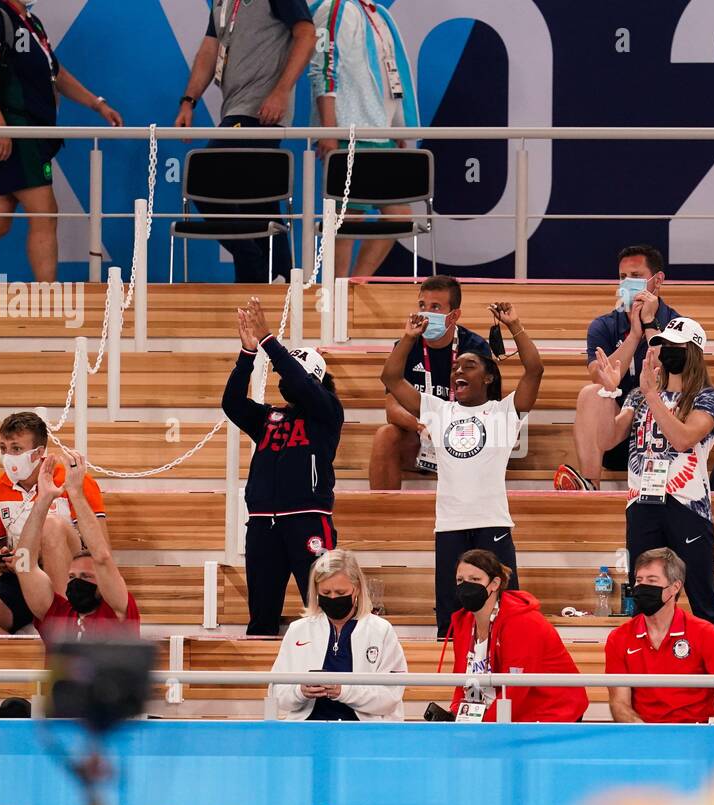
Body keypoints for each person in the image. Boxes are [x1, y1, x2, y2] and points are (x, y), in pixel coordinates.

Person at [381, 302, 544, 638]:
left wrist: (514, 325)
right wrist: (408, 338)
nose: (458, 372)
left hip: (493, 523)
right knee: (451, 617)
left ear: (487, 376)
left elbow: (535, 370)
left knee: (508, 612)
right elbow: (391, 378)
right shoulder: (438, 410)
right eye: (456, 367)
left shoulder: (503, 413)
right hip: (450, 525)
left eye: (468, 366)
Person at [0, 0, 123, 283]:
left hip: (25, 135)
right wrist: (0, 127)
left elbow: (56, 74)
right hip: (17, 135)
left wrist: (98, 104)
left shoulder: (32, 24)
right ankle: (46, 298)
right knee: (45, 213)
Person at [596, 315, 714, 637]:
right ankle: (645, 669)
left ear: (692, 352)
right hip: (641, 501)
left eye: (675, 347)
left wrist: (653, 396)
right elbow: (606, 440)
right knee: (643, 594)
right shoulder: (637, 396)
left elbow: (683, 439)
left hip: (687, 504)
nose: (667, 351)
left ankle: (713, 674)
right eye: (663, 345)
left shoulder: (708, 397)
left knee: (701, 594)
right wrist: (609, 393)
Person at [224, 297, 345, 636]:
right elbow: (232, 403)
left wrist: (268, 341)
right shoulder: (269, 417)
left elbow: (302, 383)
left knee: (324, 611)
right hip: (263, 524)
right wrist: (248, 356)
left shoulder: (328, 412)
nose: (282, 377)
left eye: (289, 372)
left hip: (308, 520)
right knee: (261, 617)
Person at [175, 0, 316, 283]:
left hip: (259, 112)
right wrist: (189, 101)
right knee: (258, 204)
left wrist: (281, 92)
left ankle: (255, 264)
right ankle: (282, 278)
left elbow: (307, 35)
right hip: (237, 109)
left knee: (202, 181)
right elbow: (209, 49)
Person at [0, 412, 106, 635]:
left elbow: (101, 545)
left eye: (16, 449)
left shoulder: (73, 480)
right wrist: (0, 558)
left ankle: (64, 625)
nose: (8, 455)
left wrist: (39, 553)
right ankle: (24, 669)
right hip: (21, 573)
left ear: (38, 453)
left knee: (51, 526)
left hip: (71, 575)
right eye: (3, 448)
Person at [309, 0, 419, 278]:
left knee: (400, 217)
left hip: (380, 135)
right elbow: (323, 68)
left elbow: (388, 73)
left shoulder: (376, 13)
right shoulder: (333, 8)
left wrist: (396, 127)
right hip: (348, 132)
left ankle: (357, 285)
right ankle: (335, 294)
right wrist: (330, 129)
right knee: (348, 220)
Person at [555, 244, 676, 491]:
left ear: (658, 280)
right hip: (614, 435)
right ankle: (590, 484)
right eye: (622, 277)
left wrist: (650, 323)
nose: (627, 283)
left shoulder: (677, 324)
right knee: (591, 393)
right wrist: (633, 336)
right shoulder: (603, 326)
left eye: (636, 277)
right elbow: (598, 377)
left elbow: (671, 376)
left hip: (664, 429)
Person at [369, 275, 492, 489]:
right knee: (385, 435)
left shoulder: (476, 348)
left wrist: (447, 429)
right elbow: (392, 409)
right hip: (420, 436)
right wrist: (422, 426)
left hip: (462, 435)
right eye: (422, 305)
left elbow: (484, 408)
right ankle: (383, 514)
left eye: (435, 307)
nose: (426, 312)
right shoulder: (405, 345)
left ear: (454, 316)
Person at [439, 549, 587, 723]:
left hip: (552, 713)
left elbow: (515, 689)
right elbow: (464, 680)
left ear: (494, 583)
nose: (466, 586)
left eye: (475, 579)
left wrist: (482, 731)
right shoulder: (464, 622)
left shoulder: (523, 622)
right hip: (502, 713)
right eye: (460, 580)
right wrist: (456, 716)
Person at [13, 451, 139, 644]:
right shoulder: (56, 614)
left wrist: (76, 494)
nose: (77, 582)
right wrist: (42, 501)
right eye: (71, 577)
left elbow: (102, 557)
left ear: (102, 583)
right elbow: (23, 564)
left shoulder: (117, 612)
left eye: (86, 576)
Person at [269, 549, 407, 721]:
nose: (333, 598)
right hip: (308, 729)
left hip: (363, 732)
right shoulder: (298, 630)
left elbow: (390, 697)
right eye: (326, 593)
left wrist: (344, 691)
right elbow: (277, 692)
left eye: (341, 593)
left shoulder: (381, 630)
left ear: (356, 589)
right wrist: (300, 691)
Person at [604, 548, 714, 724]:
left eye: (651, 580)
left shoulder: (704, 632)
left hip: (696, 735)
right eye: (638, 580)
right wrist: (646, 737)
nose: (642, 587)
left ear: (675, 587)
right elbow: (619, 703)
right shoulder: (618, 637)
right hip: (644, 735)